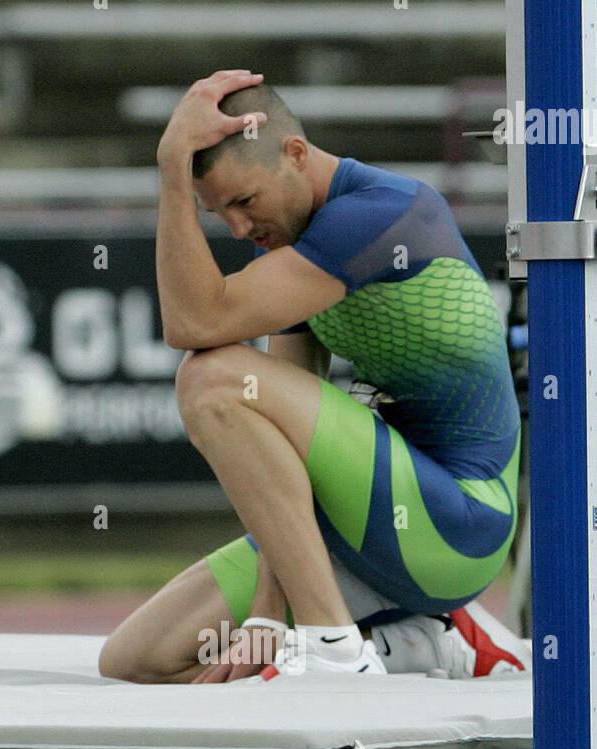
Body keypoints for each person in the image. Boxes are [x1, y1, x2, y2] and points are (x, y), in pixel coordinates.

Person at [100, 70, 529, 684]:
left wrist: (171, 169)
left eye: (244, 202)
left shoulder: (382, 215)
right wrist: (268, 617)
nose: (240, 228)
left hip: (457, 530)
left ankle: (334, 647)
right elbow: (283, 445)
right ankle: (422, 642)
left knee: (212, 379)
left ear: (296, 153)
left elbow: (193, 323)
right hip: (371, 527)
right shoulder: (289, 245)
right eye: (219, 214)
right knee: (136, 659)